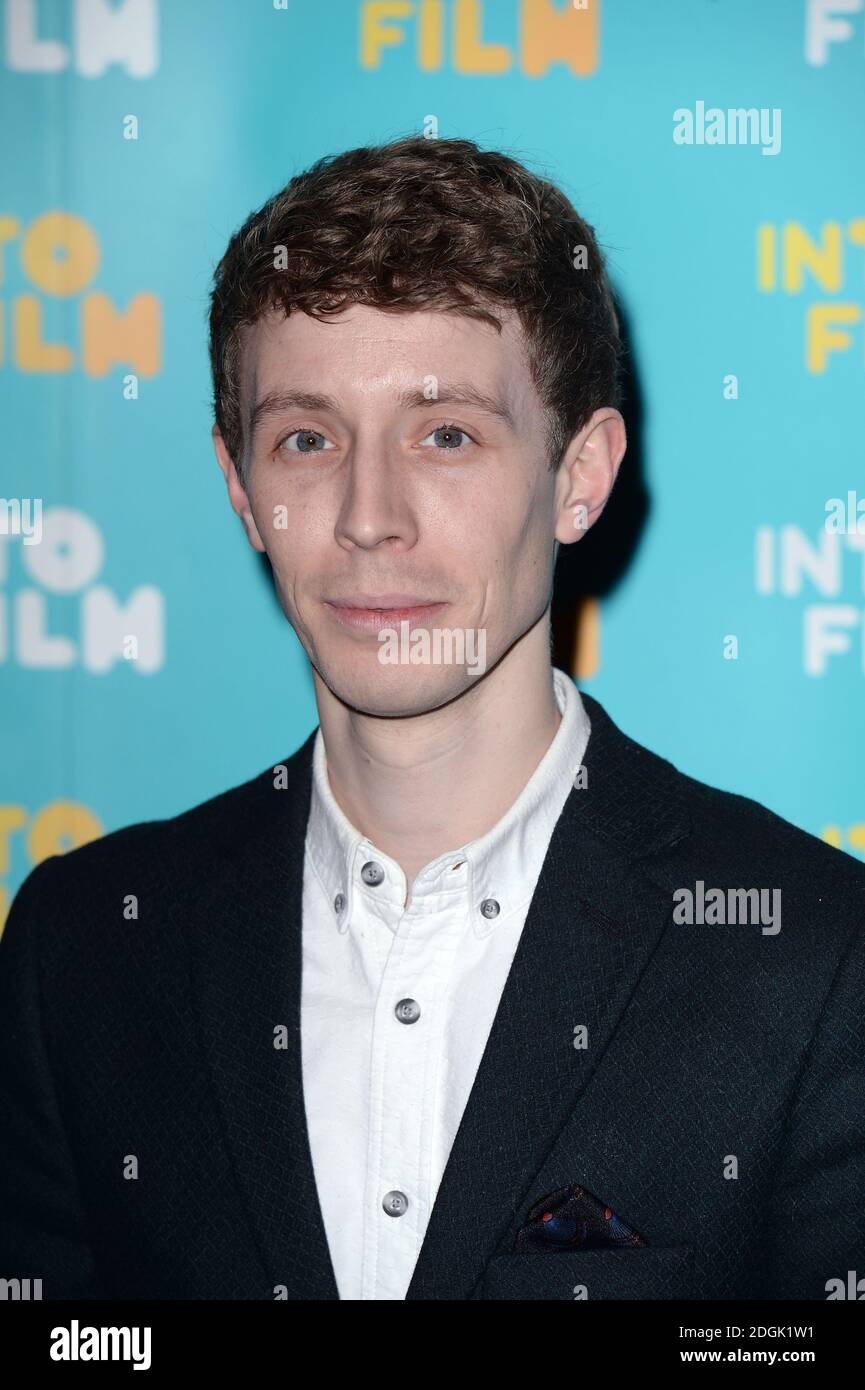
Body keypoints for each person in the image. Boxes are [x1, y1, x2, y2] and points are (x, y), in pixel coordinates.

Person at [1, 136, 863, 1302]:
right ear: (241, 489)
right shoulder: (83, 949)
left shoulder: (810, 955)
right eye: (307, 439)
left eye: (444, 433)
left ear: (580, 474)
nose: (368, 517)